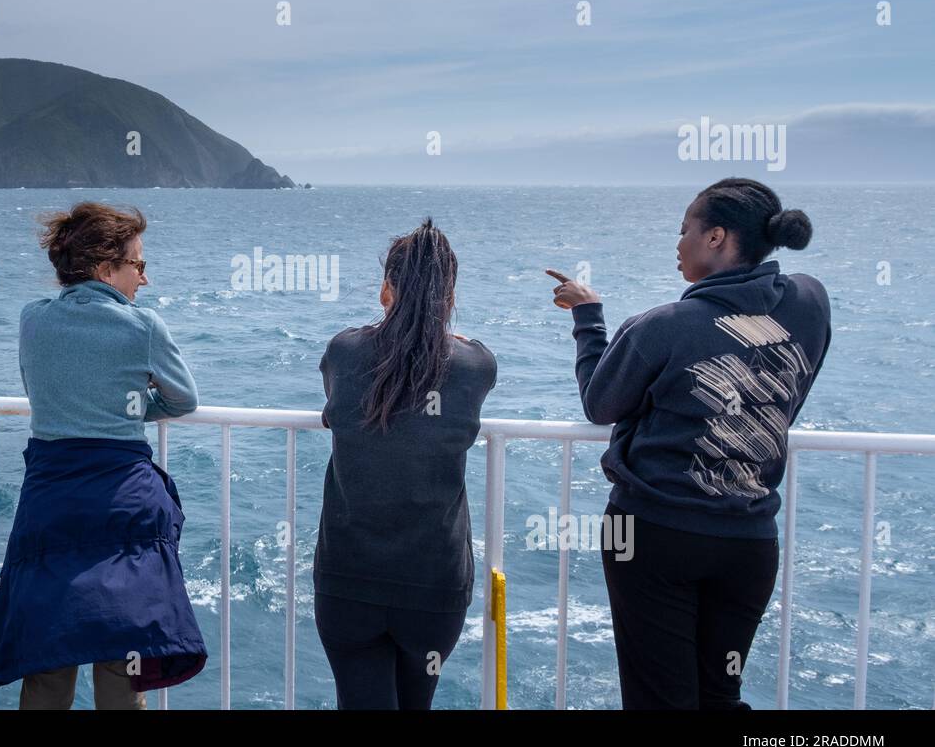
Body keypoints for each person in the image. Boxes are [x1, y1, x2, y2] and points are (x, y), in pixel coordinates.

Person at [546, 177, 831, 709]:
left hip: (654, 535)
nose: (677, 244)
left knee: (661, 698)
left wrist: (589, 317)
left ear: (717, 236)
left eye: (685, 231)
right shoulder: (810, 303)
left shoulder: (665, 326)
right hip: (748, 540)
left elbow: (601, 404)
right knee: (719, 695)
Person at [0, 201, 206, 710]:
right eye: (138, 265)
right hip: (121, 503)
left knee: (47, 653)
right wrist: (130, 407)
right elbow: (183, 400)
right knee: (121, 656)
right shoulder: (143, 326)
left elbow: (43, 391)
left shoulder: (33, 320)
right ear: (106, 268)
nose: (144, 279)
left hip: (51, 500)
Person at [313, 218, 497, 709]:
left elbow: (340, 402)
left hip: (349, 577)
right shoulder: (476, 365)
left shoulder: (344, 351)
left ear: (386, 288)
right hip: (434, 584)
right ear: (450, 293)